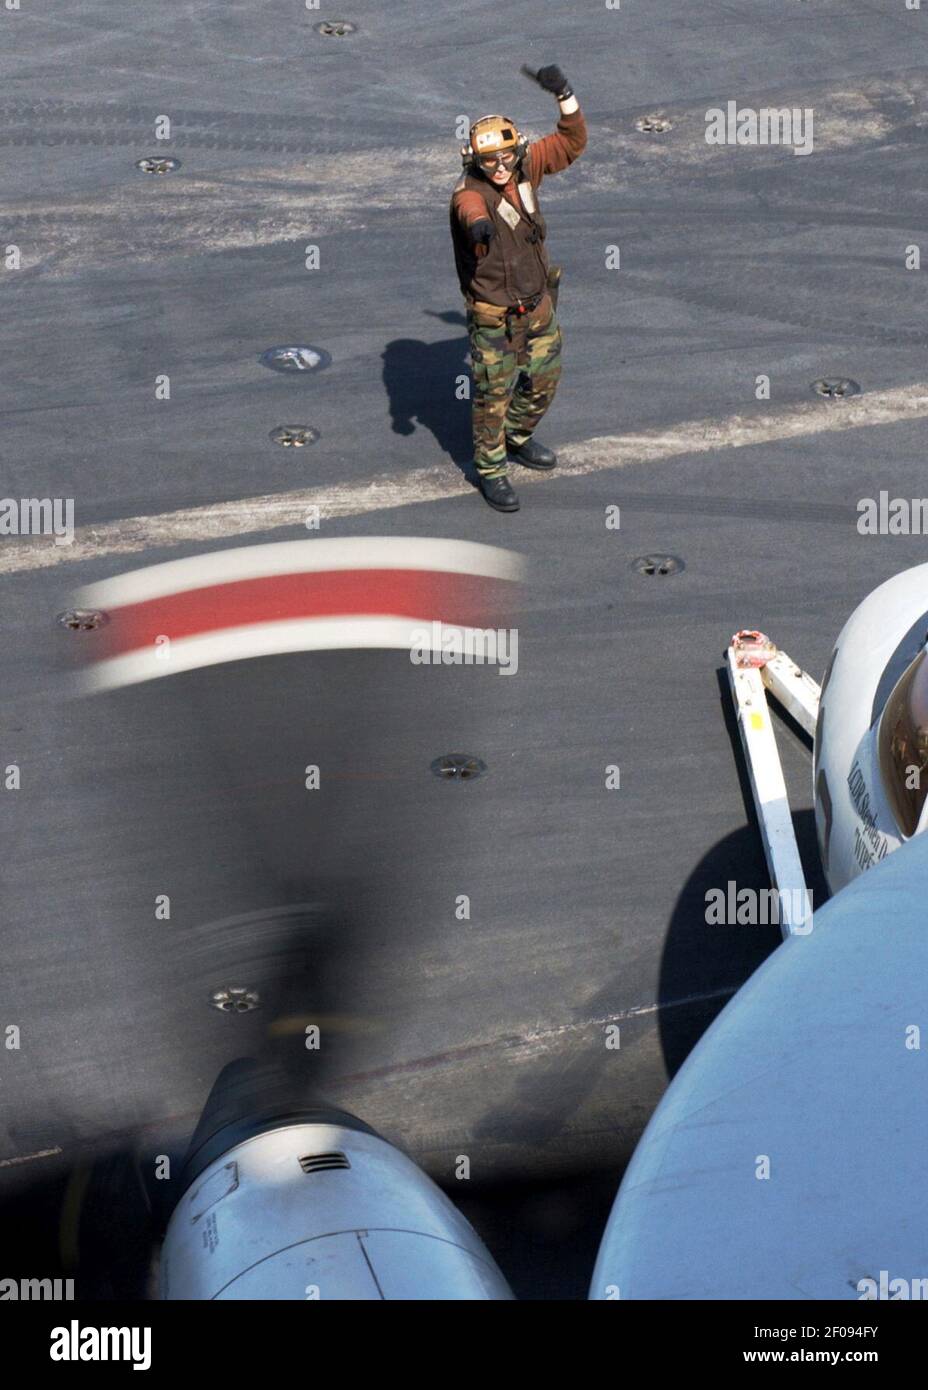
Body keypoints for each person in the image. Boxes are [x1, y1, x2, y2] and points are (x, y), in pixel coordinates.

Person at [450, 64, 587, 512]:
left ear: (516, 150)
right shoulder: (470, 194)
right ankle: (491, 471)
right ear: (475, 160)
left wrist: (564, 94)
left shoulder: (526, 168)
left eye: (506, 155)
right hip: (495, 317)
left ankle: (517, 437)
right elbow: (470, 210)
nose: (501, 166)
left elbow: (571, 143)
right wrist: (480, 229)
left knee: (545, 380)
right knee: (493, 394)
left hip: (537, 304)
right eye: (489, 160)